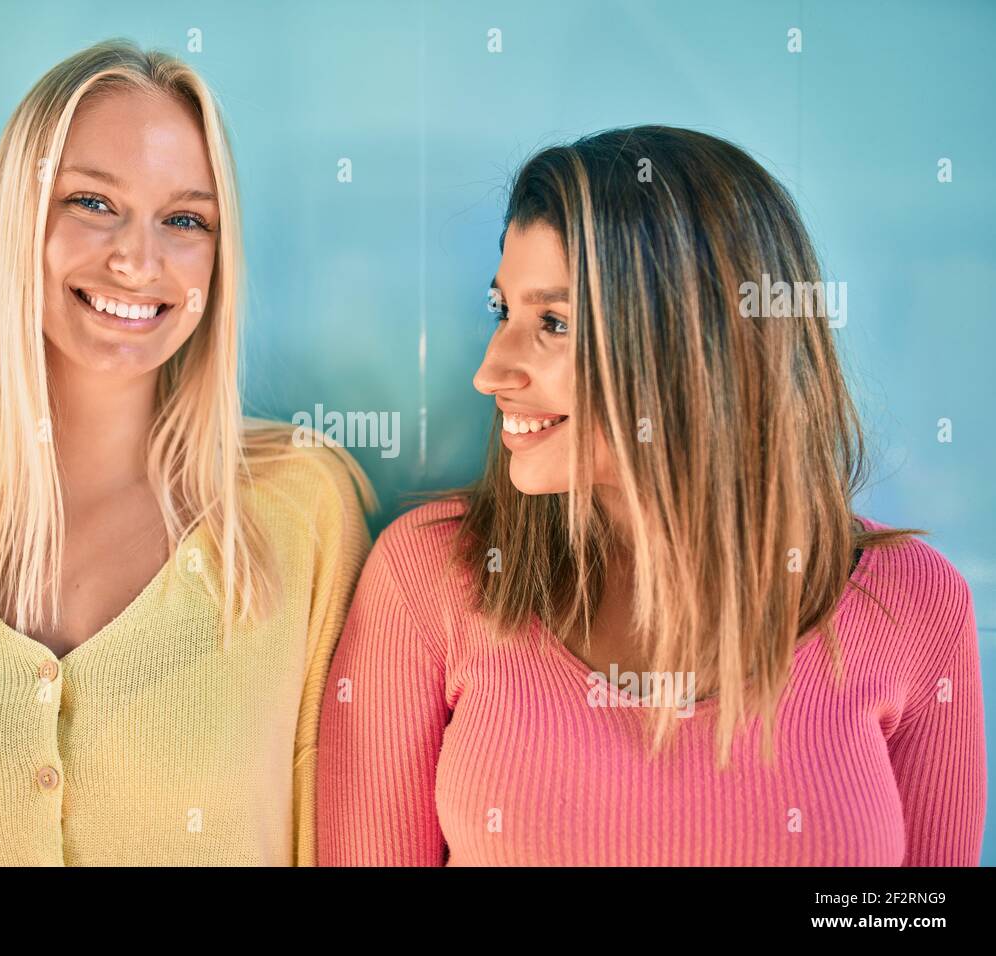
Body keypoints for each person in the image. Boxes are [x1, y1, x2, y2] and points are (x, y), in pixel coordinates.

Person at [317, 126, 985, 866]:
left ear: (698, 343)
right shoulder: (427, 578)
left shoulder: (917, 605)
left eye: (555, 323)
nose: (492, 370)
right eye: (503, 312)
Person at [0, 38, 372, 866]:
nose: (139, 259)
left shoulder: (295, 515)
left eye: (185, 219)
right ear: (16, 222)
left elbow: (343, 836)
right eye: (93, 203)